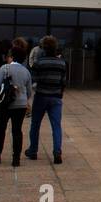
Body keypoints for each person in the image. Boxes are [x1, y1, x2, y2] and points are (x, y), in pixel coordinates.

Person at [0, 38, 33, 166]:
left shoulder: (4, 68)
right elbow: (29, 91)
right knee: (17, 131)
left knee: (1, 129)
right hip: (20, 105)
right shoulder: (26, 72)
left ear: (11, 56)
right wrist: (24, 99)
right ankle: (16, 159)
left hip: (5, 104)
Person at [26, 35, 67, 164]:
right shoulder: (62, 63)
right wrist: (60, 93)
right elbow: (63, 82)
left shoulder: (40, 63)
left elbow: (34, 79)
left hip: (41, 96)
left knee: (35, 124)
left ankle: (33, 150)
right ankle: (57, 151)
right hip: (55, 97)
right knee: (56, 126)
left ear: (43, 48)